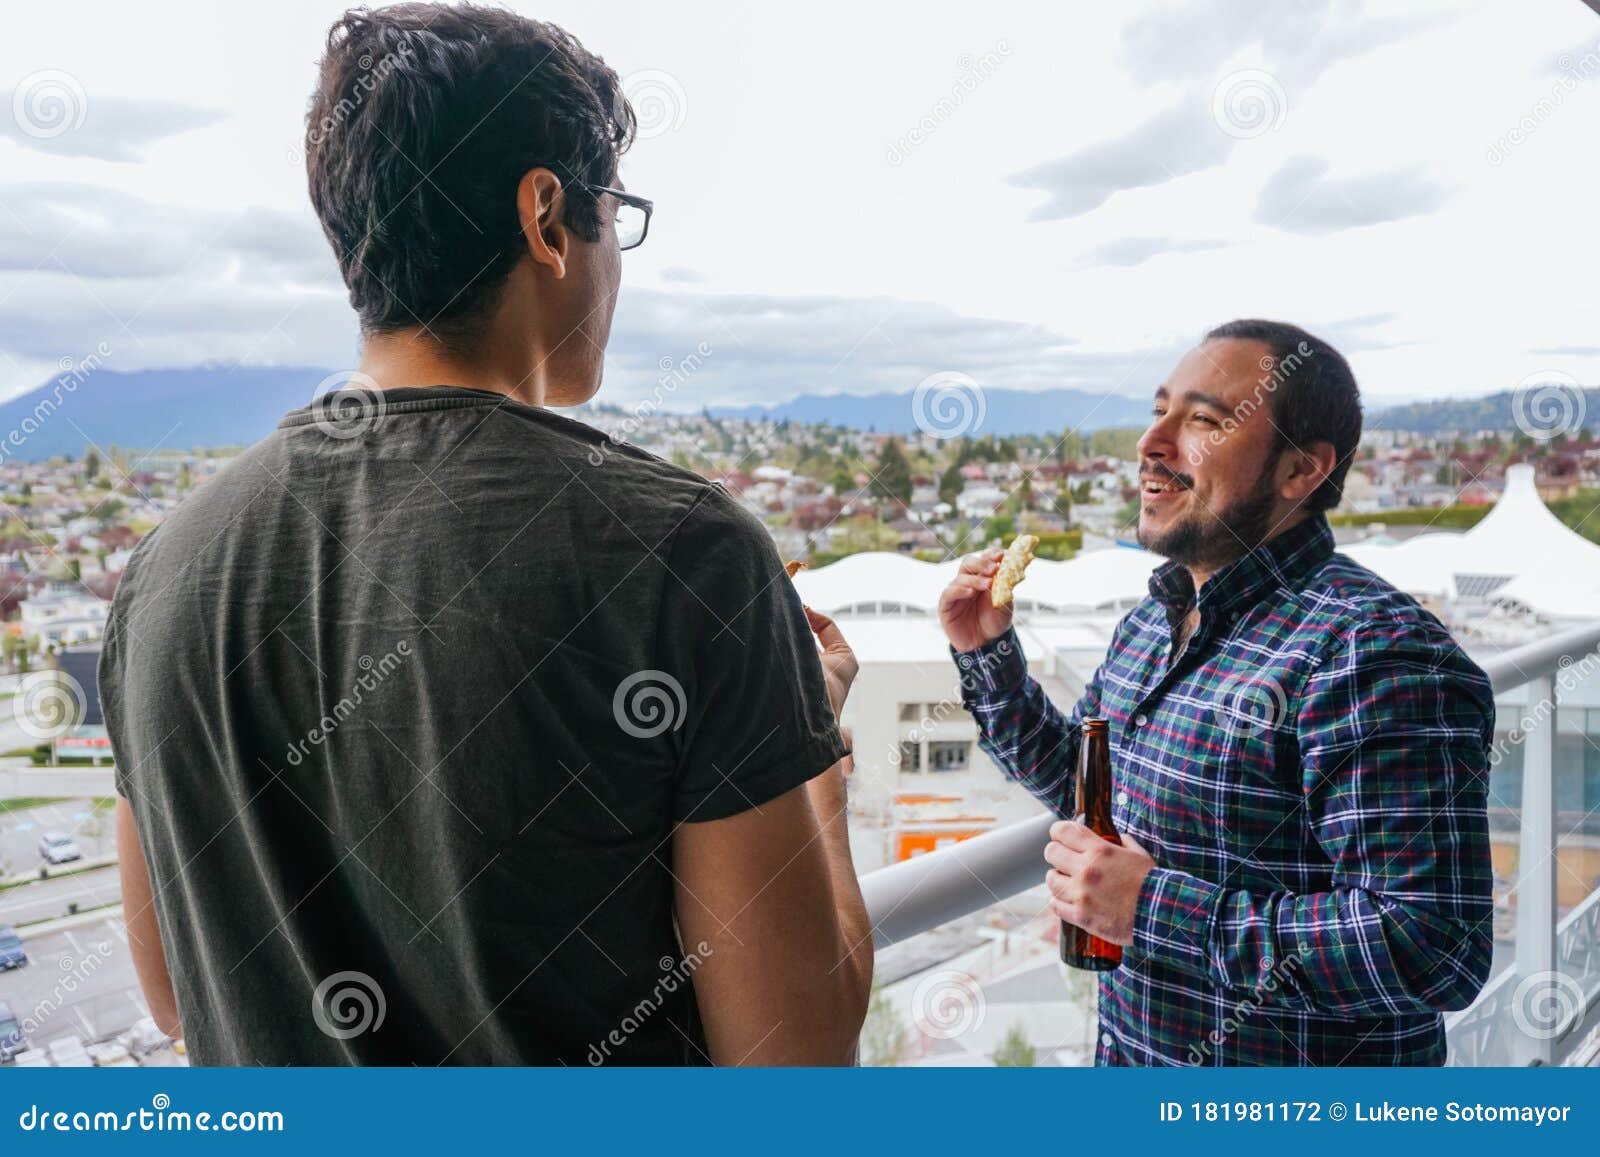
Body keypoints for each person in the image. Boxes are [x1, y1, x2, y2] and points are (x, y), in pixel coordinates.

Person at [102, 2, 870, 1066]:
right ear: (547, 217)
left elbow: (177, 997)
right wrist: (812, 756)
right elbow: (795, 1063)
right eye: (620, 212)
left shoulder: (163, 572)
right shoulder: (683, 554)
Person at [940, 319, 1495, 1066]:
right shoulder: (1151, 621)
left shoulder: (1374, 651)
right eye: (1159, 410)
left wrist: (1150, 908)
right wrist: (988, 655)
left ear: (1300, 471)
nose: (1153, 442)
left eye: (1203, 419)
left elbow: (1434, 946)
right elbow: (1089, 788)